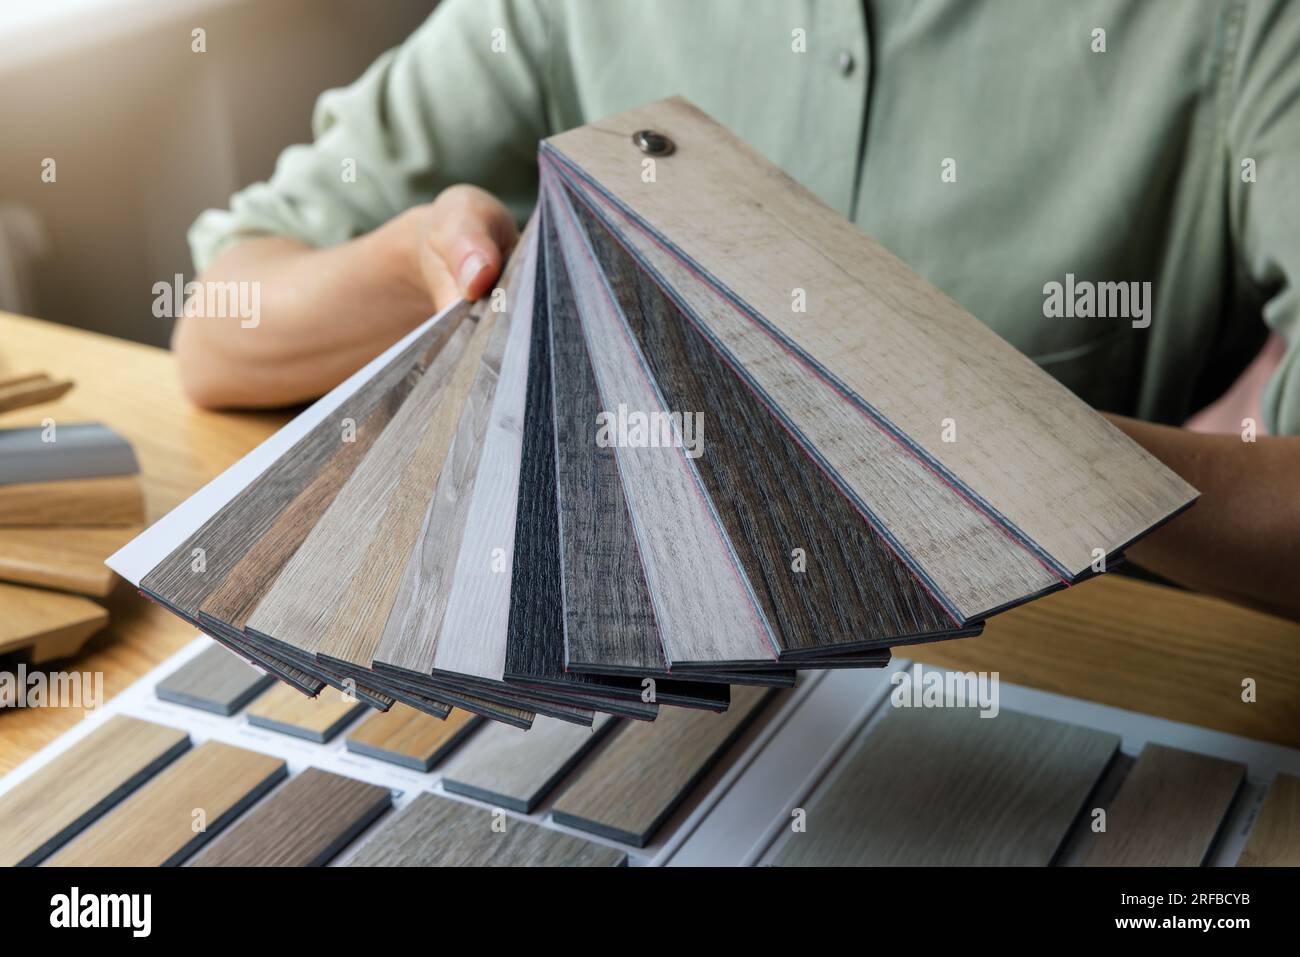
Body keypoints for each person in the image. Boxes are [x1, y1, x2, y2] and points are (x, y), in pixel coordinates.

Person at [173, 0, 1300, 619]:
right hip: (625, 656)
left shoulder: (1236, 25)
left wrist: (972, 428)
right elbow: (216, 331)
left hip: (1040, 692)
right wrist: (426, 262)